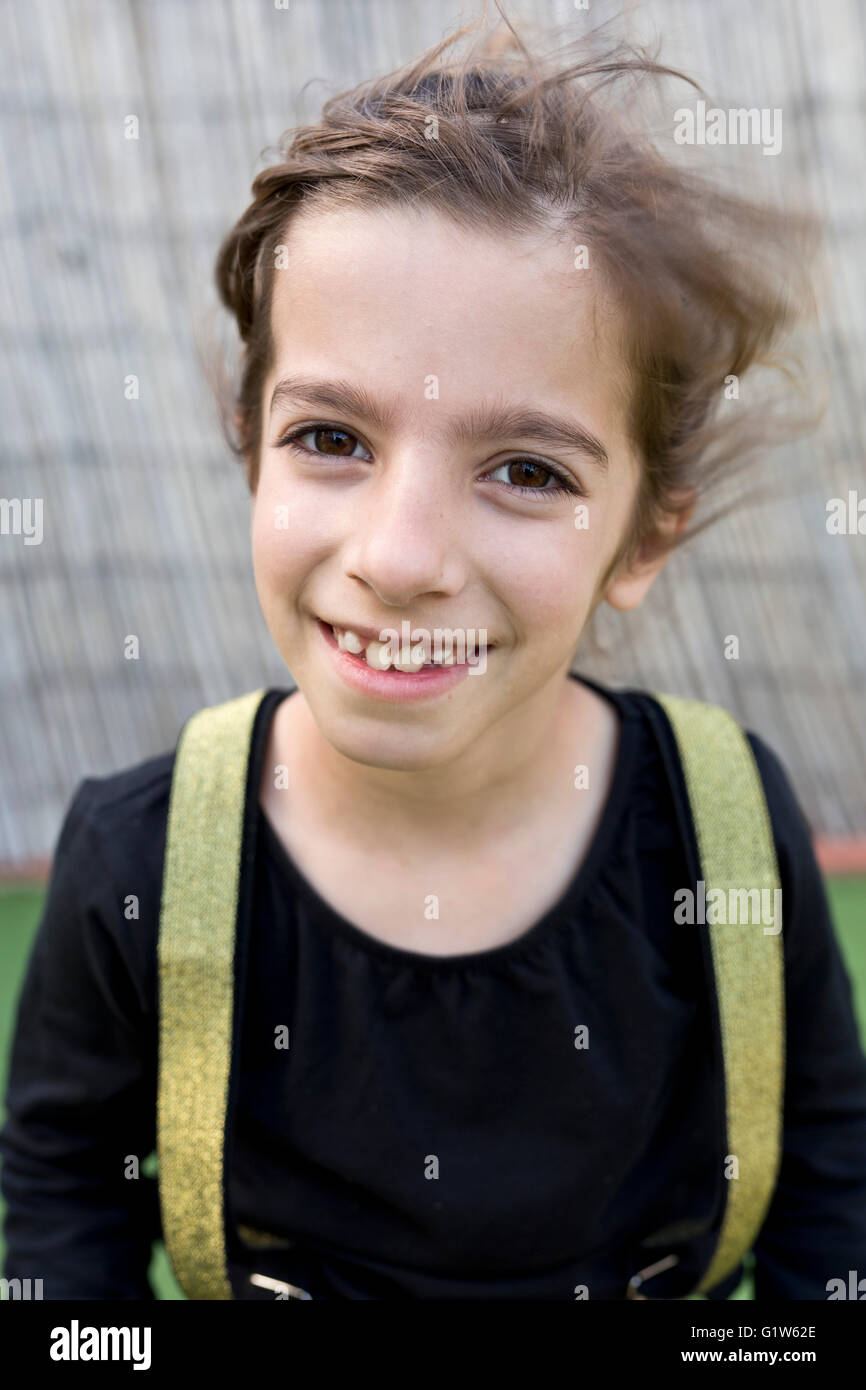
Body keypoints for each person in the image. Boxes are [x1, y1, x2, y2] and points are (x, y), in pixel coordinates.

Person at [2, 6, 865, 1301]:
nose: (401, 555)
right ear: (251, 448)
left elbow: (824, 1191)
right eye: (331, 440)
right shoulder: (138, 861)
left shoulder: (721, 826)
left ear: (640, 535)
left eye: (525, 469)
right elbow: (67, 1223)